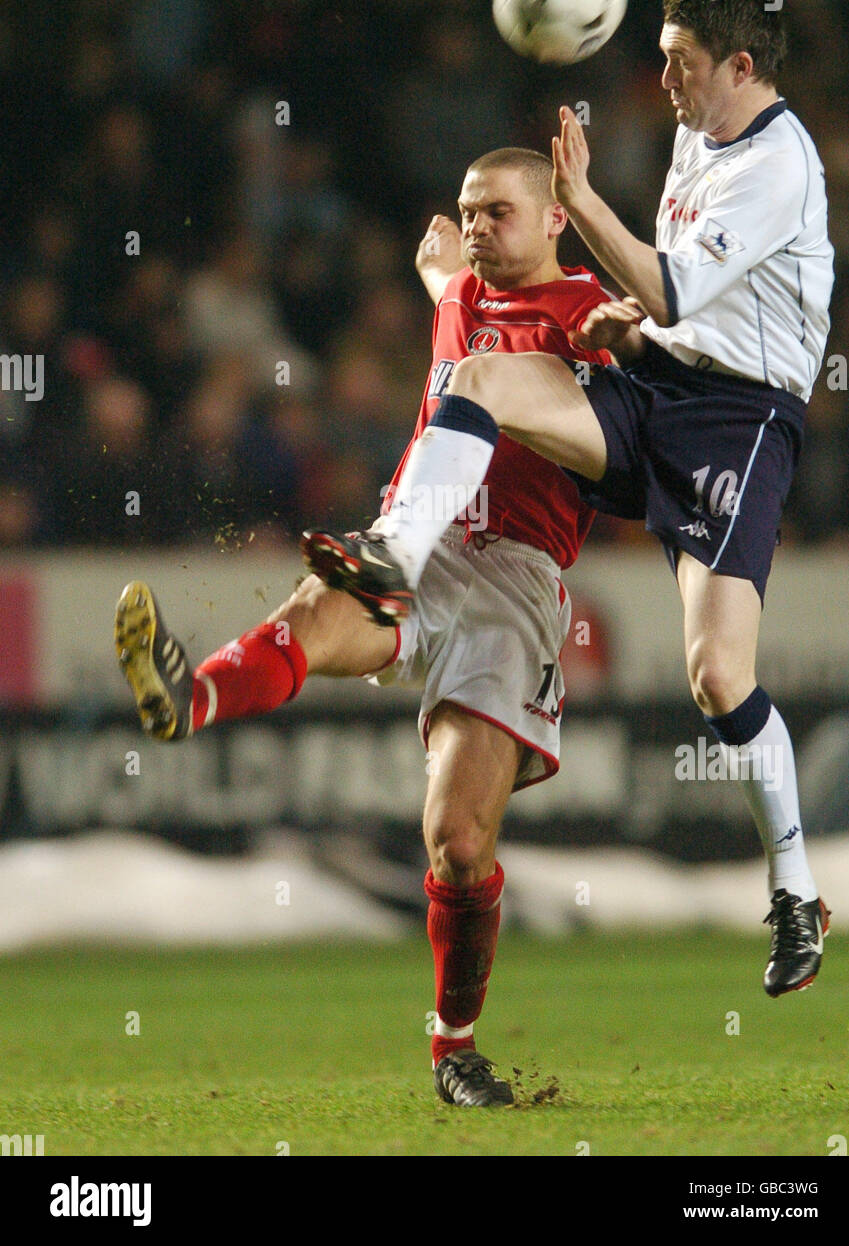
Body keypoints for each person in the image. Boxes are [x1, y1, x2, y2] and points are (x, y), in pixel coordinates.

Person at [303, 0, 835, 999]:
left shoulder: (776, 162)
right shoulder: (699, 136)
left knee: (717, 675)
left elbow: (681, 285)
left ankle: (794, 891)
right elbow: (675, 304)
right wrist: (629, 329)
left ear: (740, 68)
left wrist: (582, 205)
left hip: (739, 424)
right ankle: (397, 552)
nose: (664, 74)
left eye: (681, 58)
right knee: (484, 379)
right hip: (654, 386)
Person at [115, 148, 616, 1107]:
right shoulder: (459, 289)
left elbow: (630, 355)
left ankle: (455, 1049)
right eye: (467, 211)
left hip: (514, 573)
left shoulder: (588, 312)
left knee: (458, 843)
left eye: (499, 212)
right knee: (320, 608)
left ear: (557, 220)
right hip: (413, 547)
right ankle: (191, 696)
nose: (475, 228)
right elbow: (446, 269)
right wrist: (443, 268)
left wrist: (624, 338)